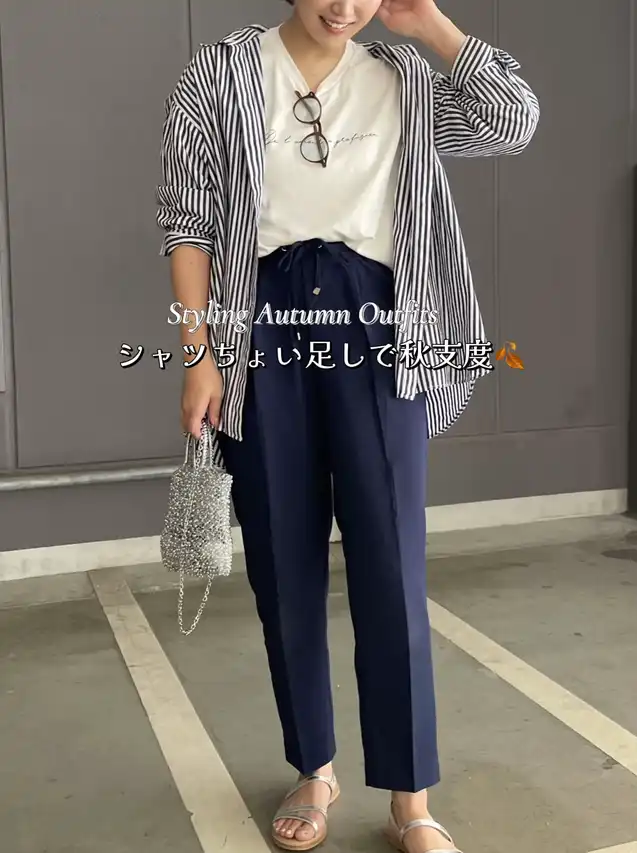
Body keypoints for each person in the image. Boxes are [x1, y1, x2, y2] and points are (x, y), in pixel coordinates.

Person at [156, 0, 539, 850]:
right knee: (282, 561)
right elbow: (186, 222)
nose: (344, 6)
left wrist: (431, 26)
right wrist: (198, 354)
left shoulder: (404, 77)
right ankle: (314, 767)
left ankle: (411, 797)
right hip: (262, 325)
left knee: (391, 562)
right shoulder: (221, 74)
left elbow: (511, 121)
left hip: (382, 326)